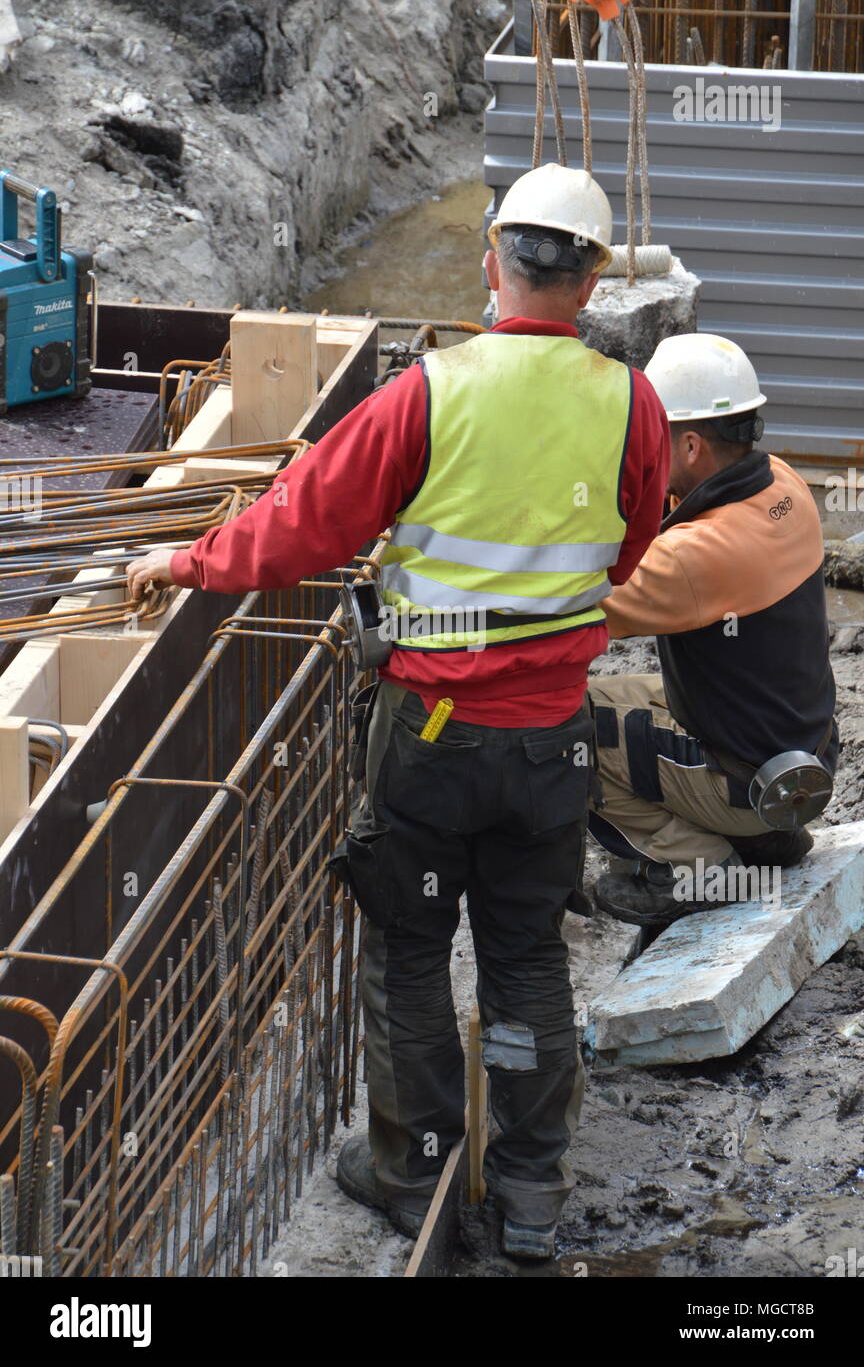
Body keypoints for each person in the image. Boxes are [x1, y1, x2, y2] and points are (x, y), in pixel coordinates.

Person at [127, 163, 670, 1259]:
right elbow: (631, 546)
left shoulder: (430, 391)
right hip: (552, 740)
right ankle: (528, 1192)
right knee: (525, 960)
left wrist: (184, 559)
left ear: (493, 262)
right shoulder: (635, 404)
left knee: (413, 956)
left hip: (431, 737)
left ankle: (415, 1170)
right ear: (597, 278)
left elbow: (301, 528)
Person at [589, 333, 838, 928]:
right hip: (800, 755)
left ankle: (701, 865)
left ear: (693, 444)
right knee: (635, 696)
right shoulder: (784, 484)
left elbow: (574, 605)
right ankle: (766, 841)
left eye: (654, 433)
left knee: (563, 724)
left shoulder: (694, 556)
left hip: (742, 778)